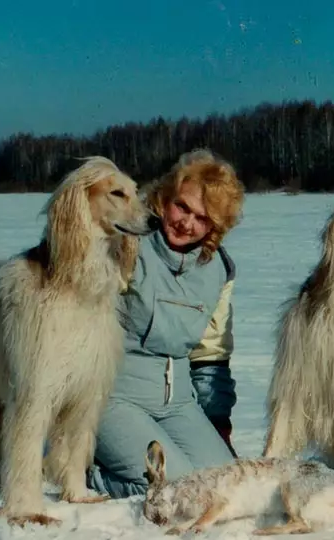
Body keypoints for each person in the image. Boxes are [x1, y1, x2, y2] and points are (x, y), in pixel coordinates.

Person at [86, 148, 245, 499]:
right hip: (112, 399)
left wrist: (218, 422)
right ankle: (82, 472)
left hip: (177, 405)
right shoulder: (127, 243)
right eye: (182, 206)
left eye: (203, 218)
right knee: (177, 488)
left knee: (228, 484)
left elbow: (211, 354)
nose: (187, 223)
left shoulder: (218, 269)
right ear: (163, 196)